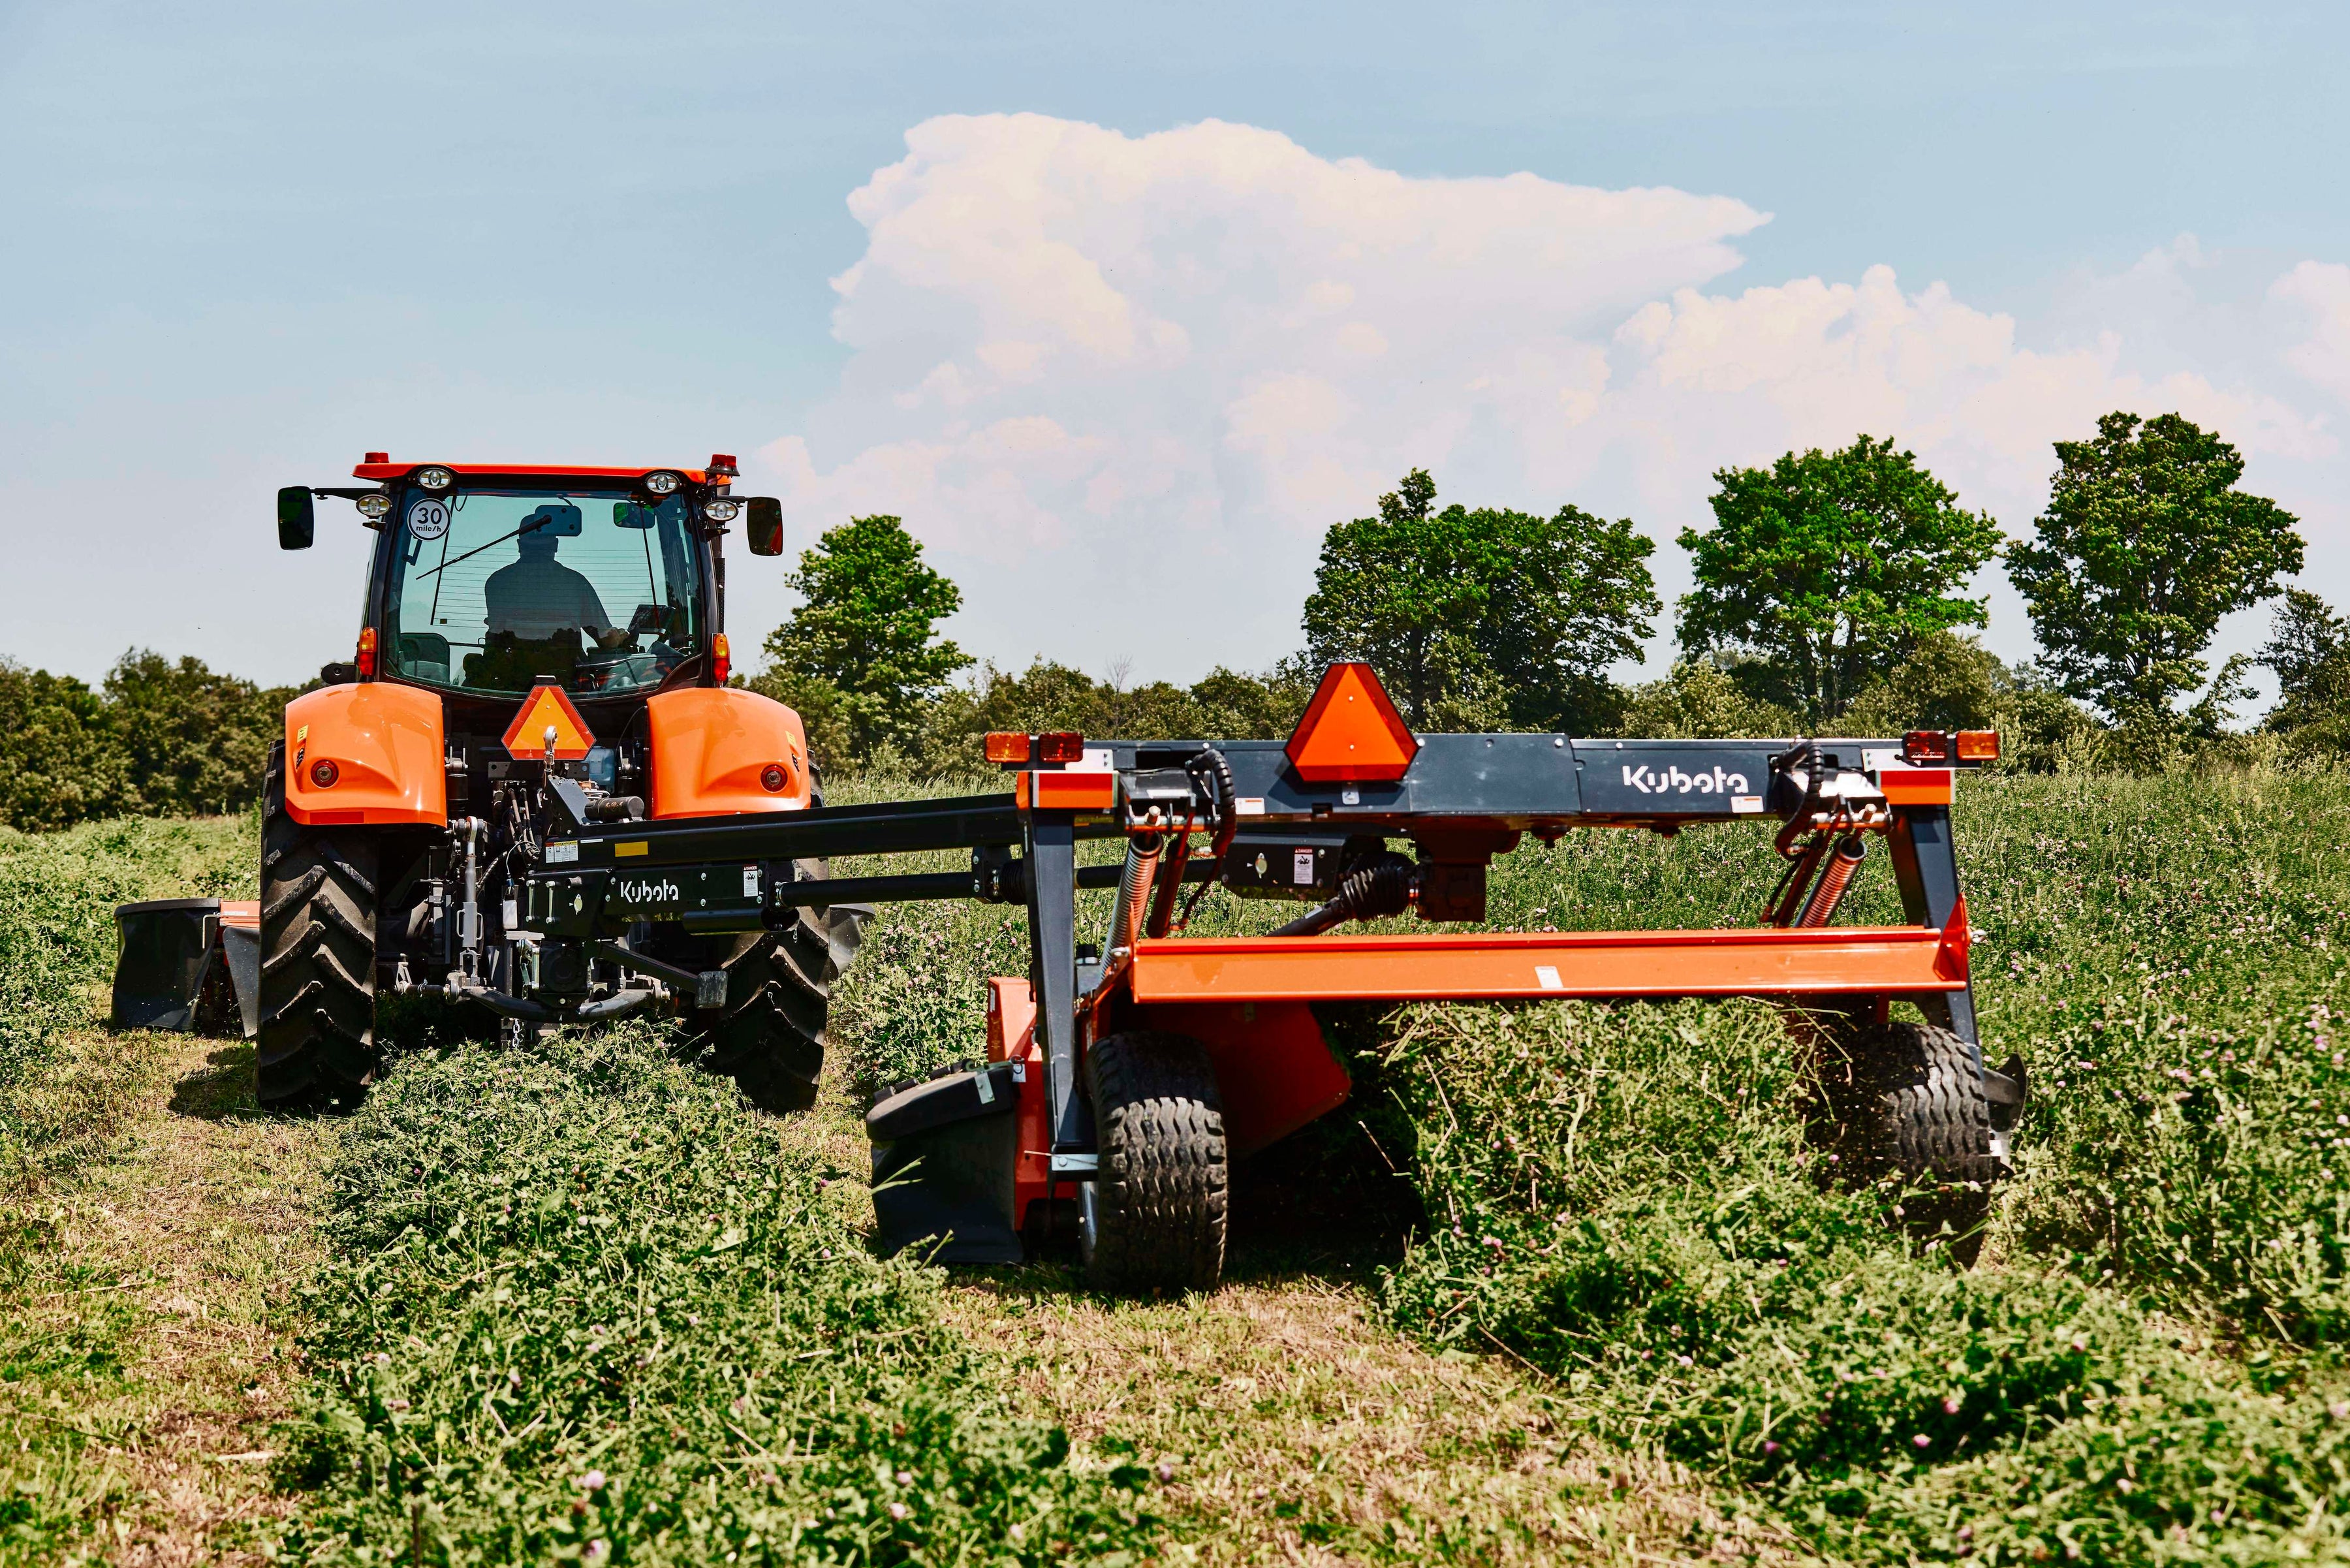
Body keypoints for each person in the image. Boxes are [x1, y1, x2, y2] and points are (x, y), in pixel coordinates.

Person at [482, 507, 627, 650]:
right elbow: (606, 639)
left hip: (507, 671)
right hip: (566, 672)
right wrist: (621, 636)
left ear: (520, 545)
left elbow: (497, 632)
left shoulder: (497, 581)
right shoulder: (576, 583)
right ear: (555, 545)